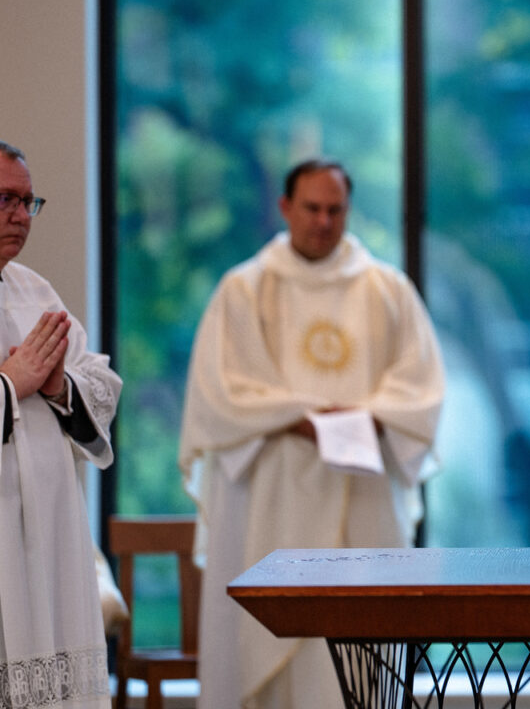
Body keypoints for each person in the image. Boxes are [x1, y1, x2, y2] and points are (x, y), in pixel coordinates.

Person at [178, 159, 446, 709]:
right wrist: (305, 418)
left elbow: (421, 389)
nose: (323, 222)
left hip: (362, 492)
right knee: (266, 646)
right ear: (285, 208)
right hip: (268, 495)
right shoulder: (244, 290)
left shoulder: (387, 289)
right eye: (312, 209)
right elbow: (218, 395)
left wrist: (365, 416)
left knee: (362, 657)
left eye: (335, 210)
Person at [0, 140, 121, 709]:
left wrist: (59, 387)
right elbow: (15, 383)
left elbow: (100, 382)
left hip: (47, 541)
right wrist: (10, 385)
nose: (20, 216)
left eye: (28, 201)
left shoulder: (36, 291)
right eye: (4, 199)